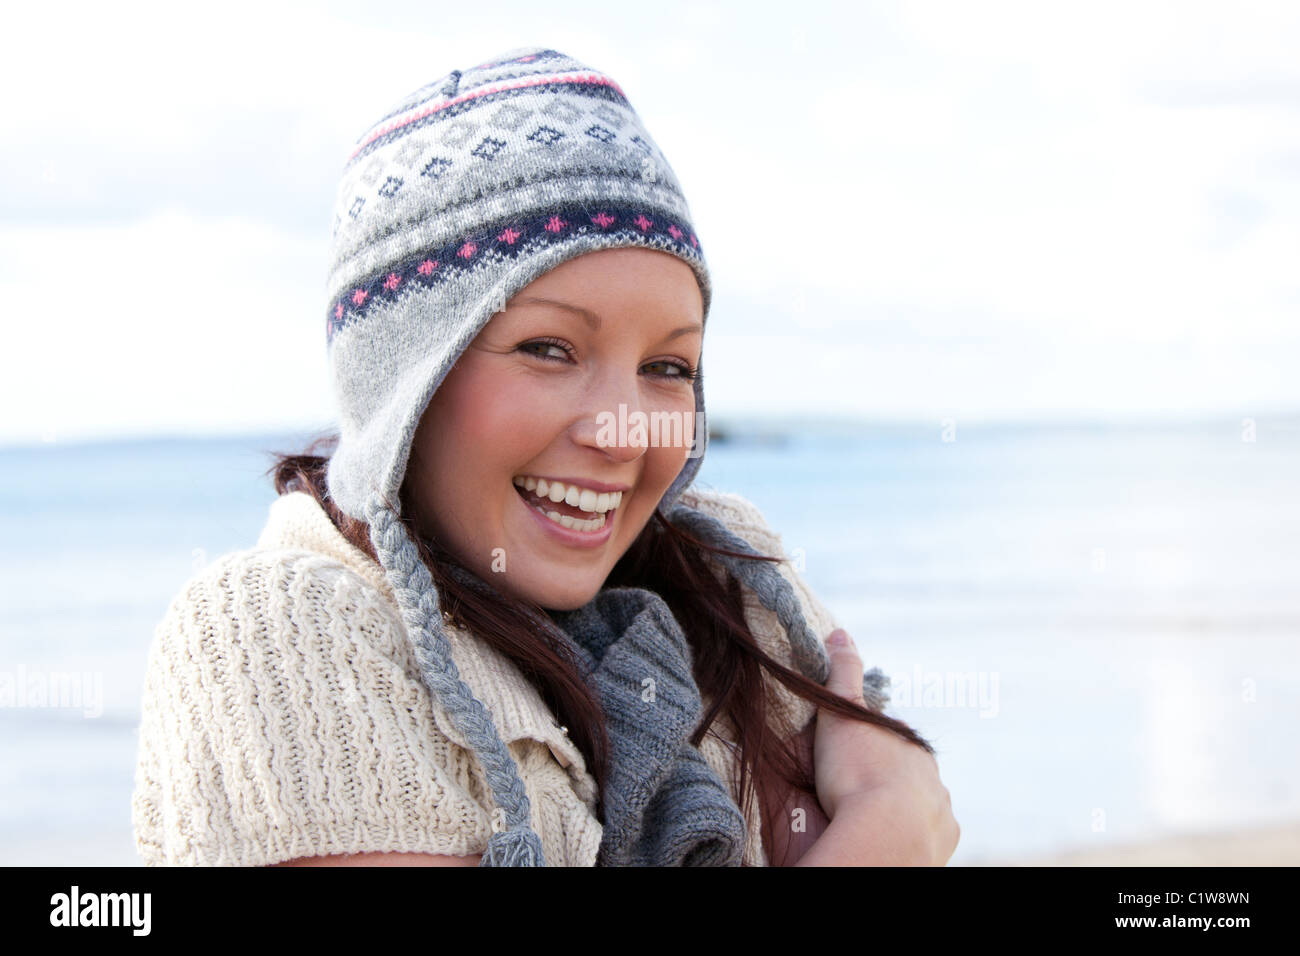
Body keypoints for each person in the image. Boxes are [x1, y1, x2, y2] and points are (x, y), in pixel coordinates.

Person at [131, 46, 959, 867]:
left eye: (667, 367)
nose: (624, 429)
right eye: (549, 349)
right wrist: (886, 828)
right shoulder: (273, 629)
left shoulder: (728, 580)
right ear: (403, 380)